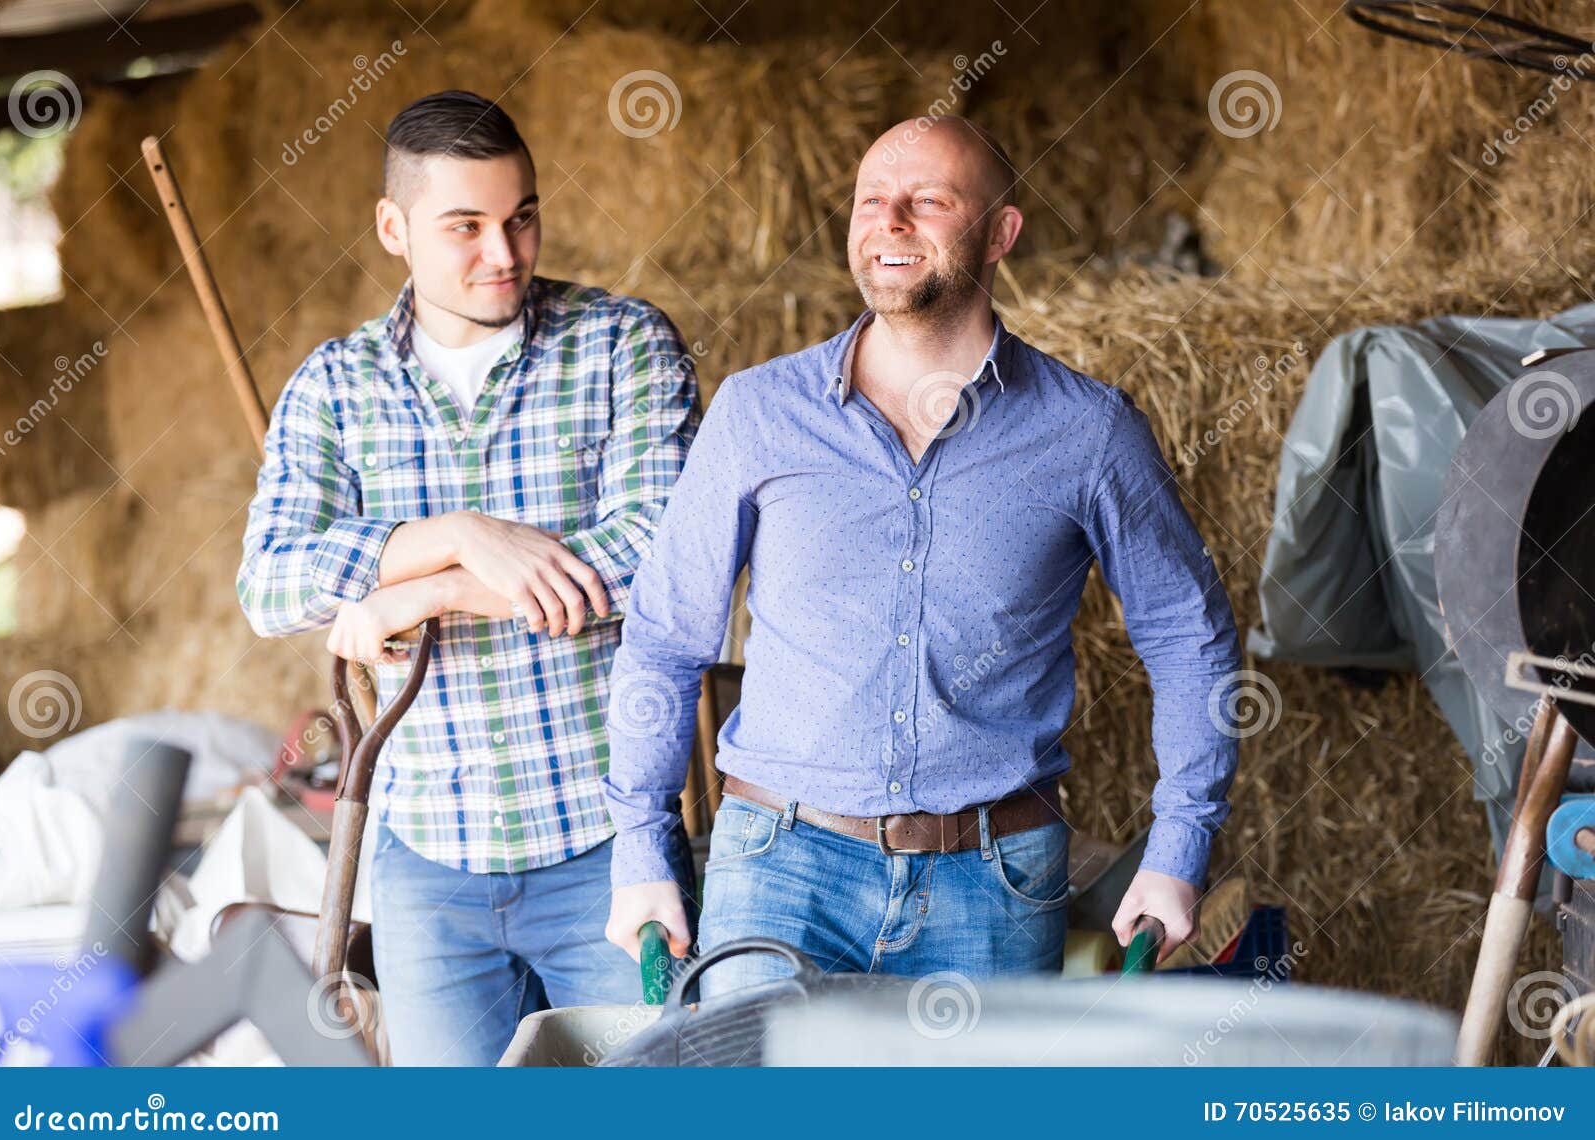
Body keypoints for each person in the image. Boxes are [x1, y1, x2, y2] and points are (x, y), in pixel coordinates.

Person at [602, 116, 1241, 996]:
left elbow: (1189, 636)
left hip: (994, 881)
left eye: (928, 201)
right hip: (779, 870)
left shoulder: (1088, 433)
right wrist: (641, 846)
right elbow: (665, 638)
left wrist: (1179, 843)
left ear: (1001, 233)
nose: (889, 221)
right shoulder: (757, 413)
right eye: (872, 201)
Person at [237, 90, 697, 1061]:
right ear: (393, 227)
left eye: (521, 216)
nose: (505, 251)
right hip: (427, 865)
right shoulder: (334, 385)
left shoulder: (622, 344)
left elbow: (659, 553)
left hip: (605, 844)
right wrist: (457, 536)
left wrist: (412, 592)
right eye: (467, 227)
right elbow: (270, 584)